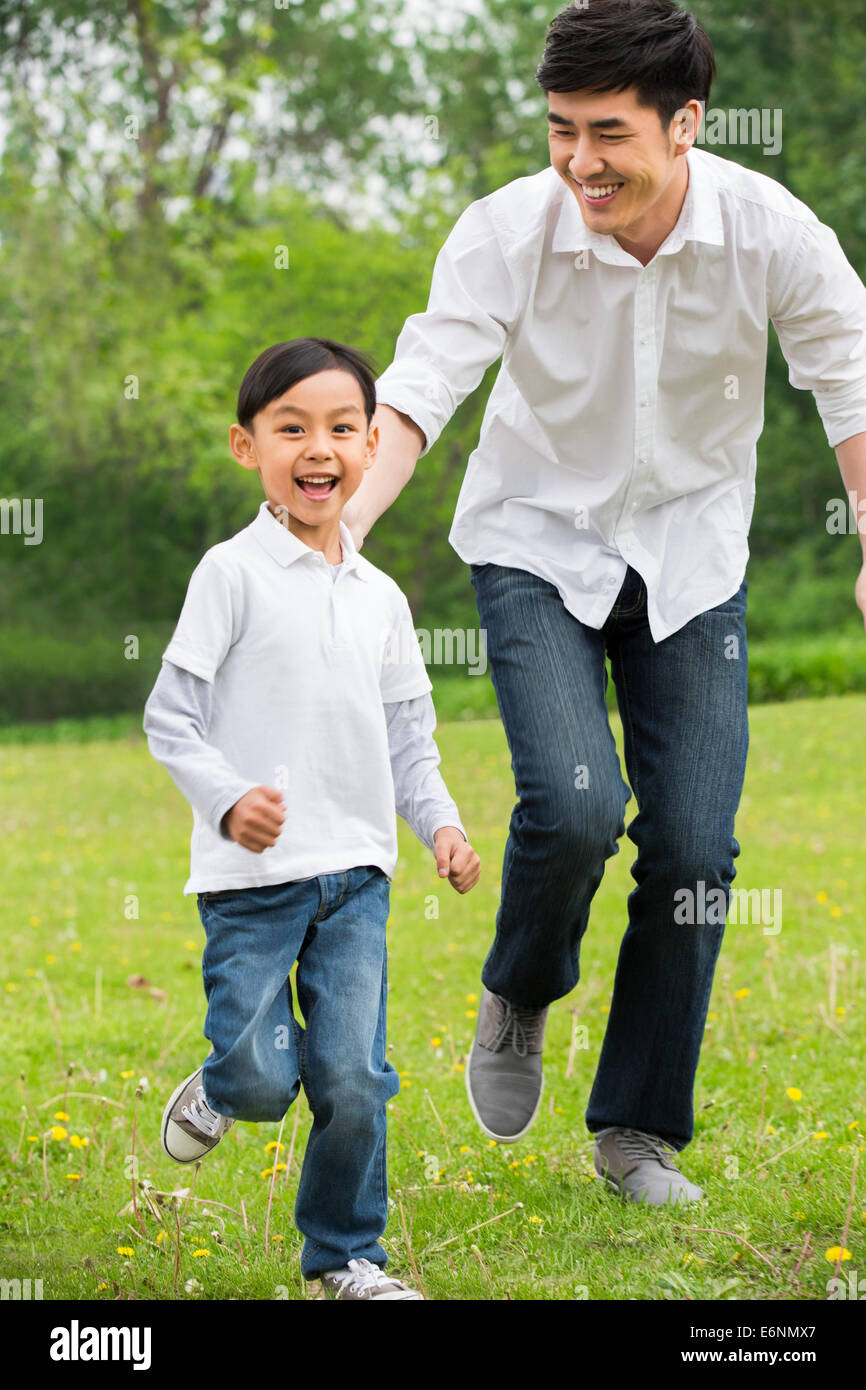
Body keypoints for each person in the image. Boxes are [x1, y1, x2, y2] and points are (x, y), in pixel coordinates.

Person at [341, 0, 866, 1206]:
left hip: (689, 558)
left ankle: (636, 1128)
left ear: (686, 125)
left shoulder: (768, 232)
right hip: (534, 541)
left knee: (690, 845)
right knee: (574, 808)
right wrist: (347, 527)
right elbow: (421, 386)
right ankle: (521, 988)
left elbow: (846, 378)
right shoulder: (505, 233)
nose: (580, 162)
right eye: (559, 130)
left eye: (609, 134)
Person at [143, 337, 481, 1300]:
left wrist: (443, 827)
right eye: (291, 427)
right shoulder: (230, 573)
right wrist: (227, 798)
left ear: (374, 446)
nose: (318, 446)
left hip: (360, 876)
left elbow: (410, 734)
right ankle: (221, 1085)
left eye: (341, 427)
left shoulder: (382, 599)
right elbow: (170, 716)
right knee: (260, 1078)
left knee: (351, 1079)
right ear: (248, 447)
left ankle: (344, 1257)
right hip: (251, 881)